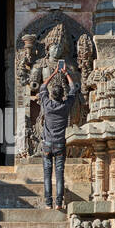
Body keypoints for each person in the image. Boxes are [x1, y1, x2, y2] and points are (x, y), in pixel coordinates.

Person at [36, 63, 80, 210]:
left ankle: (48, 203)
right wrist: (66, 73)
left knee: (47, 174)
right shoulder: (65, 106)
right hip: (60, 144)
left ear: (51, 94)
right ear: (62, 95)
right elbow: (74, 89)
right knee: (59, 175)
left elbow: (42, 87)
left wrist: (54, 73)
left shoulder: (47, 104)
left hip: (47, 144)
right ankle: (58, 203)